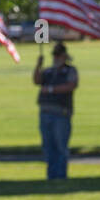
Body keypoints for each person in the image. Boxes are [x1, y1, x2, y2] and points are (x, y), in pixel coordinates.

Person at [34, 42, 78, 179]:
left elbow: (71, 85)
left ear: (64, 56)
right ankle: (51, 175)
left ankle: (61, 175)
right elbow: (36, 80)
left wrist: (51, 89)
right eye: (54, 55)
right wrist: (38, 65)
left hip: (61, 114)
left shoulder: (70, 71)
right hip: (45, 112)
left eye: (58, 55)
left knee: (61, 146)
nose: (56, 57)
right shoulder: (48, 71)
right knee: (48, 147)